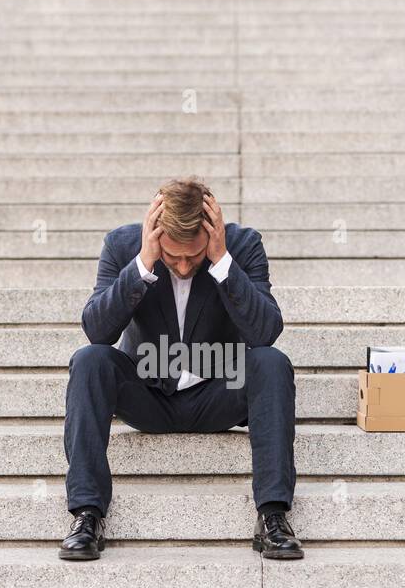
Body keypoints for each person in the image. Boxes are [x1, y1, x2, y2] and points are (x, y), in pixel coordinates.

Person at [59, 177, 302, 561]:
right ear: (156, 233)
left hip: (218, 393)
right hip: (148, 394)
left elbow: (265, 333)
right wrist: (144, 263)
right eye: (174, 257)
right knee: (89, 360)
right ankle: (87, 515)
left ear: (213, 232)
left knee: (272, 362)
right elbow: (98, 332)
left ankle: (273, 516)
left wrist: (222, 262)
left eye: (195, 255)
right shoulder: (123, 246)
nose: (185, 265)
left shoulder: (242, 246)